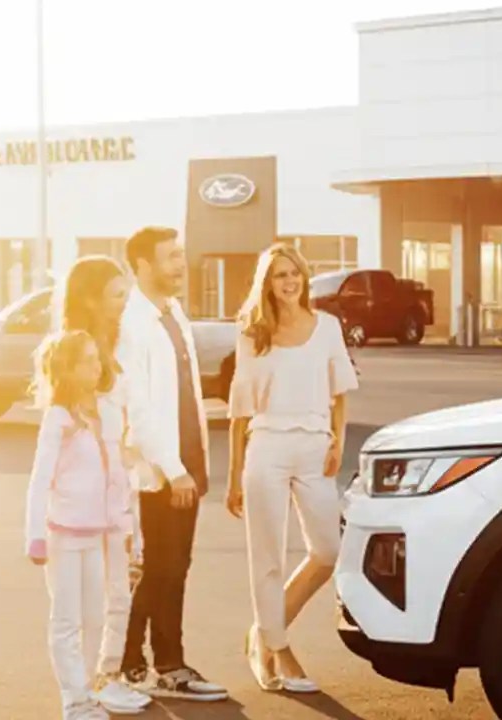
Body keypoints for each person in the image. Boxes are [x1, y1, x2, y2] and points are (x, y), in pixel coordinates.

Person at [225, 243, 358, 692]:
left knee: (326, 550)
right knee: (267, 557)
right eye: (279, 275)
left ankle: (261, 632)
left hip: (315, 446)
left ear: (303, 278)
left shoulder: (328, 328)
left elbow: (340, 390)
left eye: (294, 274)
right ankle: (276, 651)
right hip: (266, 447)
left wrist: (338, 438)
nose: (288, 282)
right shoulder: (252, 334)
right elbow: (239, 410)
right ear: (267, 283)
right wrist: (233, 477)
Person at [116, 227, 227, 701]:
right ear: (142, 265)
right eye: (170, 258)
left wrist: (193, 464)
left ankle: (150, 663)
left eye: (182, 254)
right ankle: (141, 663)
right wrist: (173, 467)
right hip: (159, 473)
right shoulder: (132, 323)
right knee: (158, 568)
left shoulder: (174, 312)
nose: (181, 264)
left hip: (187, 464)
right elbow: (137, 407)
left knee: (174, 567)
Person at [25, 330, 145, 719]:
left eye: (98, 358)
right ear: (68, 370)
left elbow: (118, 476)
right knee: (66, 620)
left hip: (97, 534)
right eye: (88, 361)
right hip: (63, 537)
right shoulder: (58, 419)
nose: (98, 366)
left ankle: (89, 691)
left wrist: (128, 528)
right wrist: (35, 536)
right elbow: (40, 479)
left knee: (94, 616)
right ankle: (74, 702)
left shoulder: (102, 412)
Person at [56, 255, 153, 712]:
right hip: (89, 495)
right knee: (90, 599)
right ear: (91, 298)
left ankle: (107, 675)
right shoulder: (77, 353)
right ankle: (88, 688)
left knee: (122, 582)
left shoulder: (120, 342)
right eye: (117, 295)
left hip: (121, 479)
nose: (124, 303)